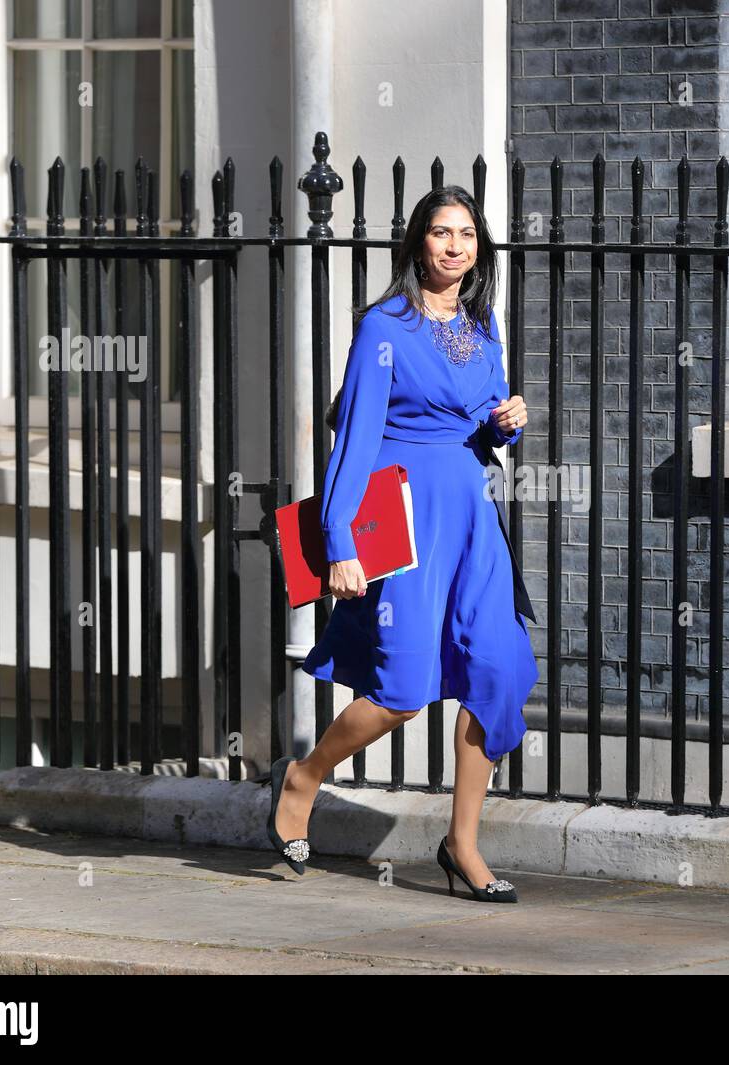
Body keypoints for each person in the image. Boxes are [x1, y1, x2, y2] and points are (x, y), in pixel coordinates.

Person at [266, 184, 538, 903]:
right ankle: (305, 777)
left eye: (468, 235)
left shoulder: (483, 330)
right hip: (408, 526)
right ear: (419, 240)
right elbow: (354, 440)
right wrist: (341, 539)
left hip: (474, 523)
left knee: (499, 670)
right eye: (443, 232)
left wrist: (505, 419)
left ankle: (463, 843)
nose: (456, 245)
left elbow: (479, 422)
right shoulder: (385, 327)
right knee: (402, 691)